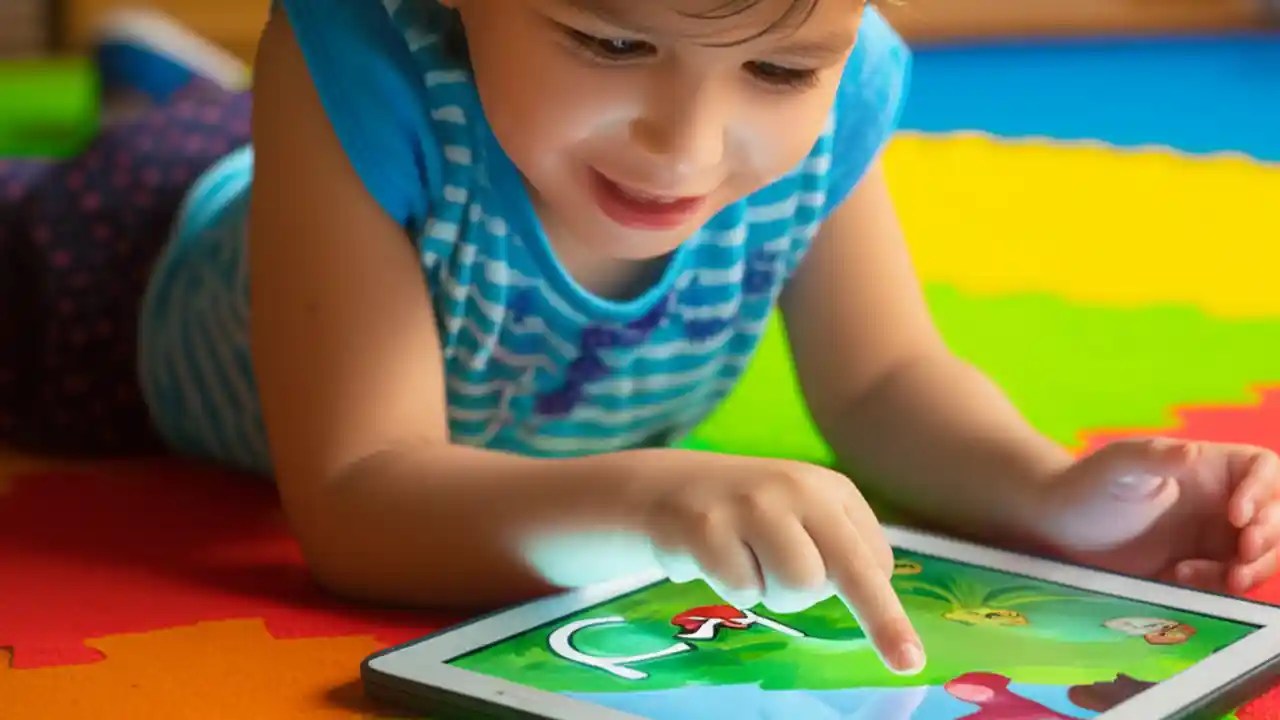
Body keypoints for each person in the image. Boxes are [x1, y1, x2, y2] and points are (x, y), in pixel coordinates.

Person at [1, 0, 1277, 676]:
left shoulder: (833, 87)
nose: (684, 148)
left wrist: (1047, 492)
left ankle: (159, 77)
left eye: (776, 75)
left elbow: (887, 380)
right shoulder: (366, 65)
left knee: (213, 125)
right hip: (110, 273)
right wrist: (655, 504)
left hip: (287, 179)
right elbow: (353, 499)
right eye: (608, 42)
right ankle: (165, 97)